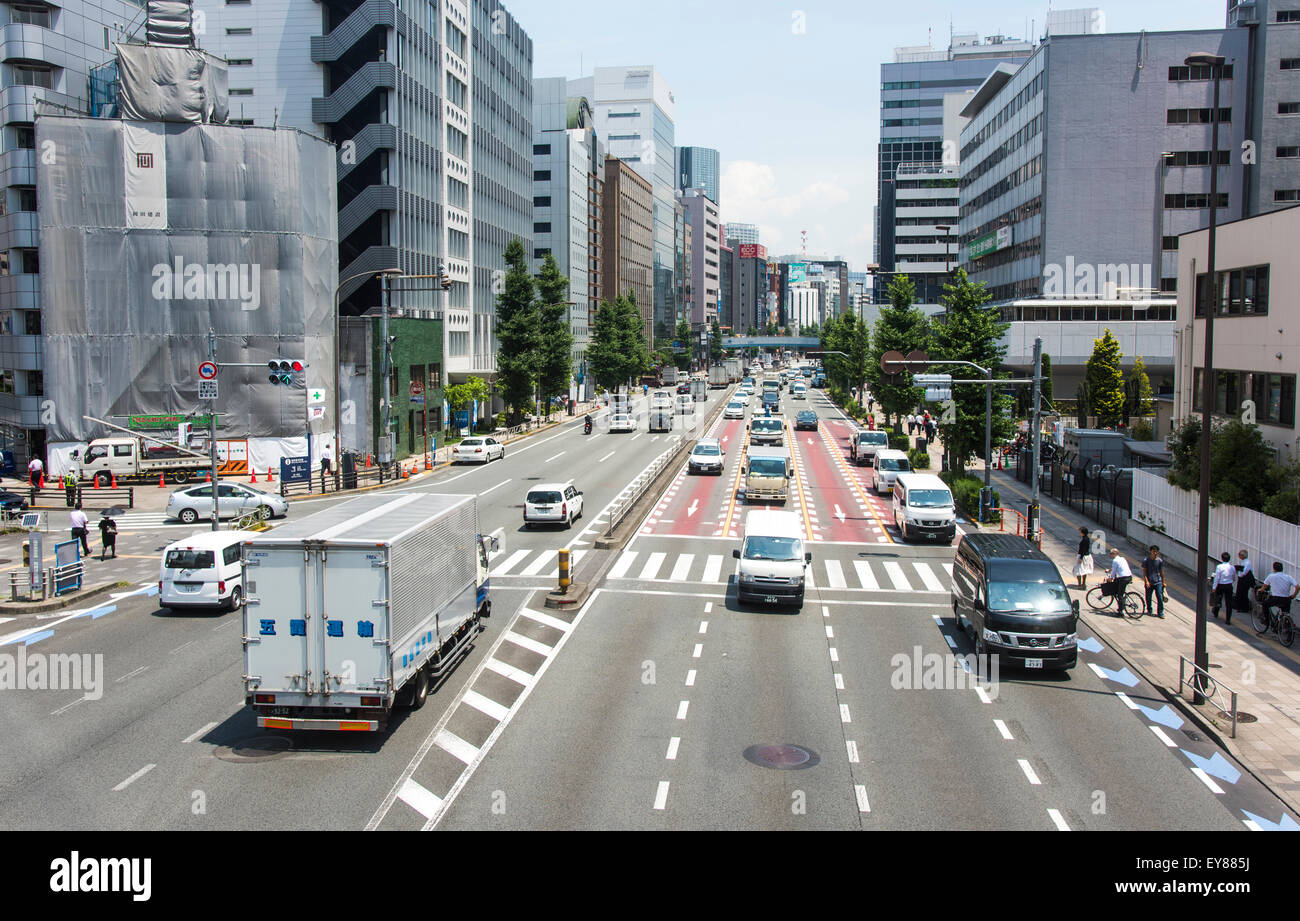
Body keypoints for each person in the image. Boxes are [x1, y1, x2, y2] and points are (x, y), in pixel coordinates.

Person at [1101, 547, 1132, 613]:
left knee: (1120, 595)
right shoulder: (1122, 558)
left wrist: (1110, 578)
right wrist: (1109, 570)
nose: (1110, 555)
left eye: (1111, 553)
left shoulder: (1115, 560)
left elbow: (1114, 571)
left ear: (1114, 554)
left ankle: (1120, 611)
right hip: (1129, 576)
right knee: (1118, 587)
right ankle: (1121, 605)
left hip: (1123, 578)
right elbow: (1116, 567)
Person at [1211, 551, 1237, 624]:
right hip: (1229, 585)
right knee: (1229, 603)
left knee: (1218, 599)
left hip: (1220, 585)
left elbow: (1217, 578)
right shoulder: (1232, 567)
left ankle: (1216, 612)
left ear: (1222, 559)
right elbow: (1234, 577)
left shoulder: (1219, 567)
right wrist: (1231, 581)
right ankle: (1228, 620)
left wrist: (1214, 587)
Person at [1141, 545, 1166, 618]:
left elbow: (1161, 572)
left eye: (1156, 552)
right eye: (1153, 551)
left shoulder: (1159, 561)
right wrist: (1146, 581)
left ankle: (1160, 612)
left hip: (1158, 582)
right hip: (1149, 582)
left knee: (1160, 597)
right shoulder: (1146, 560)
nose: (1155, 553)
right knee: (1148, 597)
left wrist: (1163, 582)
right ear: (1150, 551)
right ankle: (1149, 609)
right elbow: (1144, 572)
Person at [1234, 549, 1255, 614]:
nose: (1239, 556)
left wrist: (1240, 575)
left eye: (1240, 555)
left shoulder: (1247, 562)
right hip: (1242, 579)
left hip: (1245, 580)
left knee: (1243, 593)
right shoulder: (1243, 561)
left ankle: (1244, 608)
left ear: (1243, 555)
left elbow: (1245, 572)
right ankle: (1240, 606)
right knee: (1240, 593)